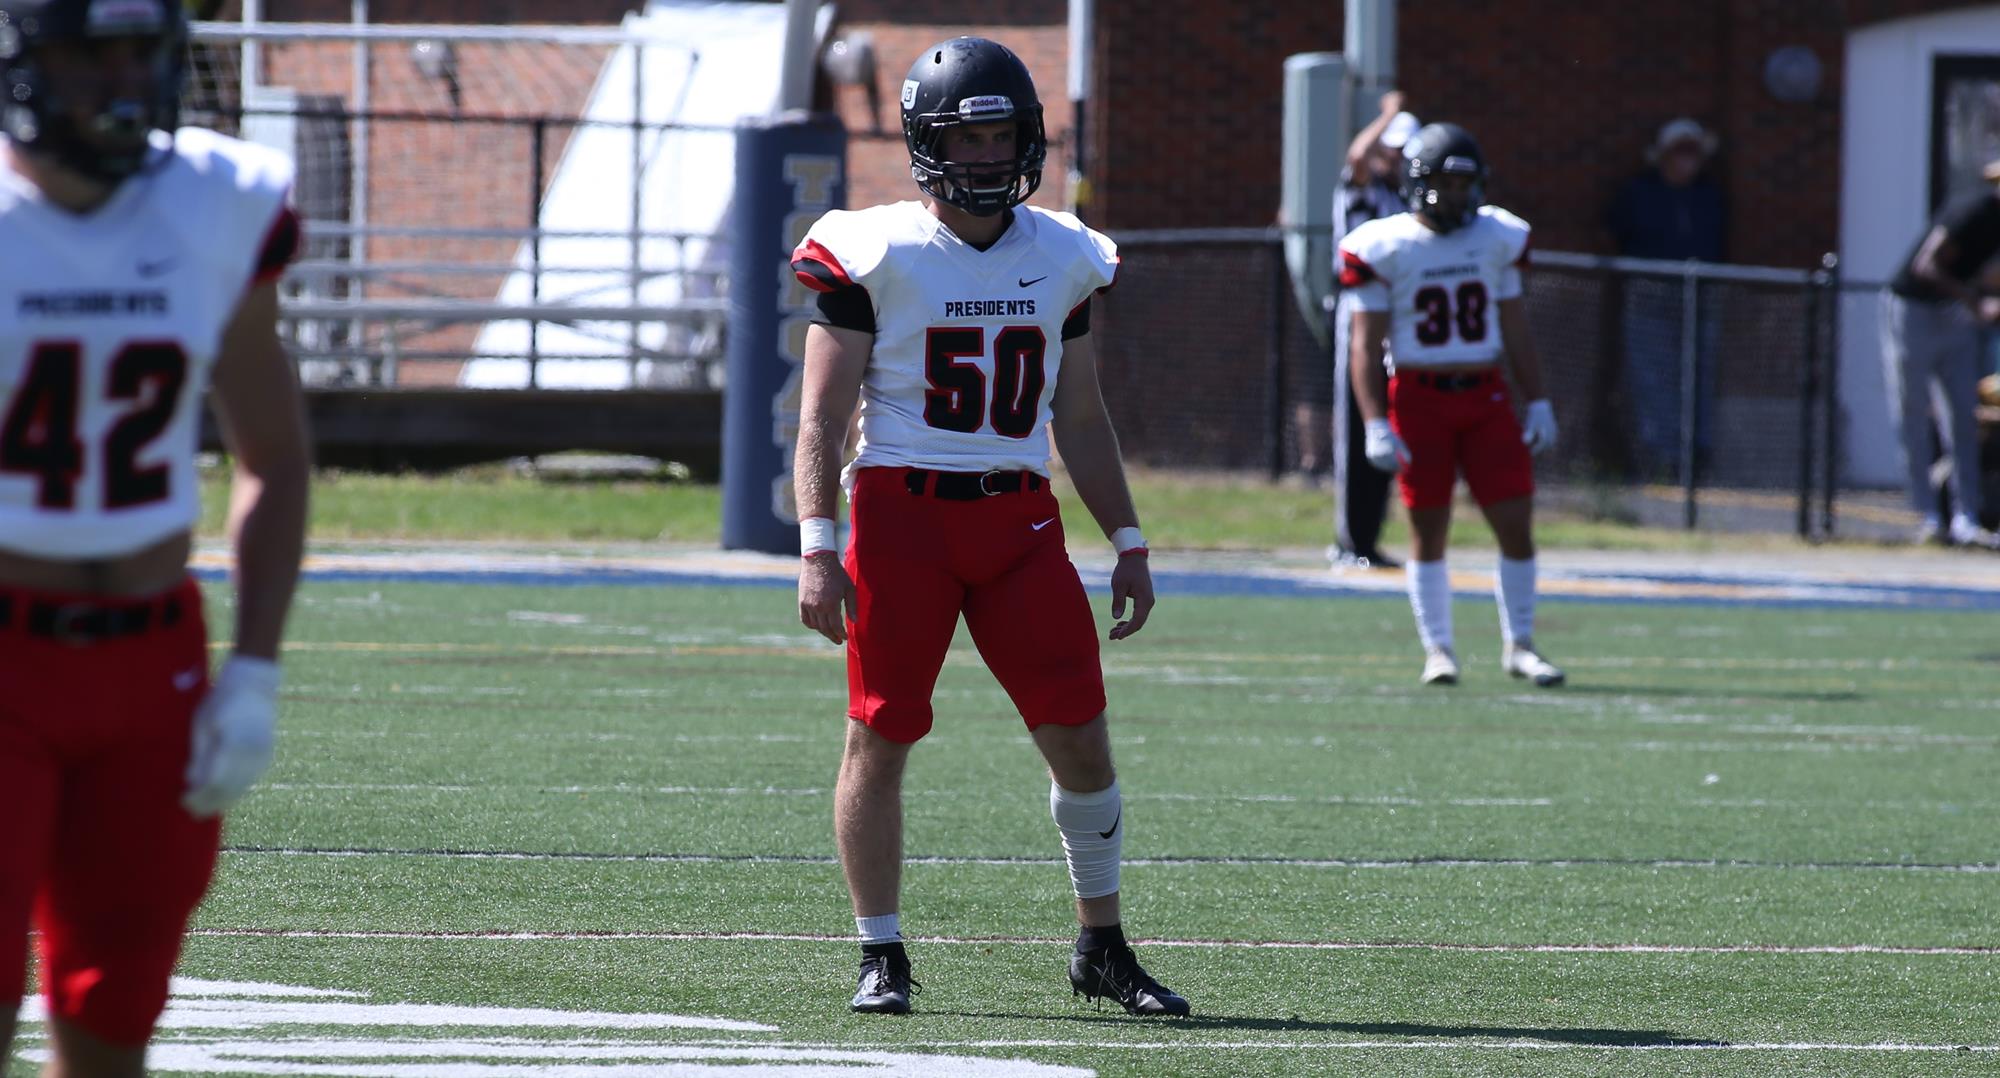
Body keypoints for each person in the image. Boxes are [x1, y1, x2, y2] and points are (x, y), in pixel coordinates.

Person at [789, 36, 1188, 1019]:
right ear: (927, 141)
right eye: (965, 136)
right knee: (877, 738)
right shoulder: (871, 248)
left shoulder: (1062, 251)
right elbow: (819, 419)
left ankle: (1101, 944)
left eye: (1001, 133)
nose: (985, 154)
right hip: (898, 520)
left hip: (1017, 524)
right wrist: (814, 544)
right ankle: (879, 952)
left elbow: (1081, 417)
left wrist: (1129, 541)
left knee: (1081, 741)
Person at [0, 1, 310, 1073]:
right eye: (94, 55)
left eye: (143, 52)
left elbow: (272, 453)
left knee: (112, 1022)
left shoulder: (215, 200)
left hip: (149, 660)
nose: (123, 80)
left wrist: (257, 667)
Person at [1338, 123, 1565, 688]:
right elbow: (1364, 343)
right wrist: (1374, 422)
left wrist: (1537, 400)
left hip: (1486, 395)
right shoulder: (1383, 244)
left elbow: (1515, 327)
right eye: (1444, 183)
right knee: (1427, 527)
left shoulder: (1496, 236)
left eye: (1465, 185)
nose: (1456, 196)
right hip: (1419, 397)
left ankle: (1521, 644)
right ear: (1418, 183)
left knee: (1515, 522)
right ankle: (1438, 648)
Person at [1881, 159, 2000, 548]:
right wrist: (1974, 302)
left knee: (1963, 416)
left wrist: (1982, 299)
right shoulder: (1973, 211)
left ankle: (1966, 518)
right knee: (1912, 411)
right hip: (1913, 310)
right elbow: (1925, 266)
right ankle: (1926, 516)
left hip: (1953, 314)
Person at [1325, 92, 1420, 570]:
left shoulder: (1408, 198)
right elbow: (1358, 156)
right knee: (1356, 427)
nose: (1398, 158)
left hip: (1394, 318)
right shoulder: (1362, 186)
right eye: (1393, 149)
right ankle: (1349, 539)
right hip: (1357, 314)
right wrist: (1387, 113)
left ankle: (1370, 536)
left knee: (1387, 430)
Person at [1607, 118, 1726, 479]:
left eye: (1692, 153)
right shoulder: (1640, 192)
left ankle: (1697, 457)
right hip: (1650, 293)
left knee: (1698, 375)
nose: (1686, 161)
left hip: (1701, 294)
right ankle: (1663, 458)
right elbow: (1615, 232)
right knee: (1654, 374)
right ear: (1663, 156)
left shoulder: (1709, 195)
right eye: (1679, 153)